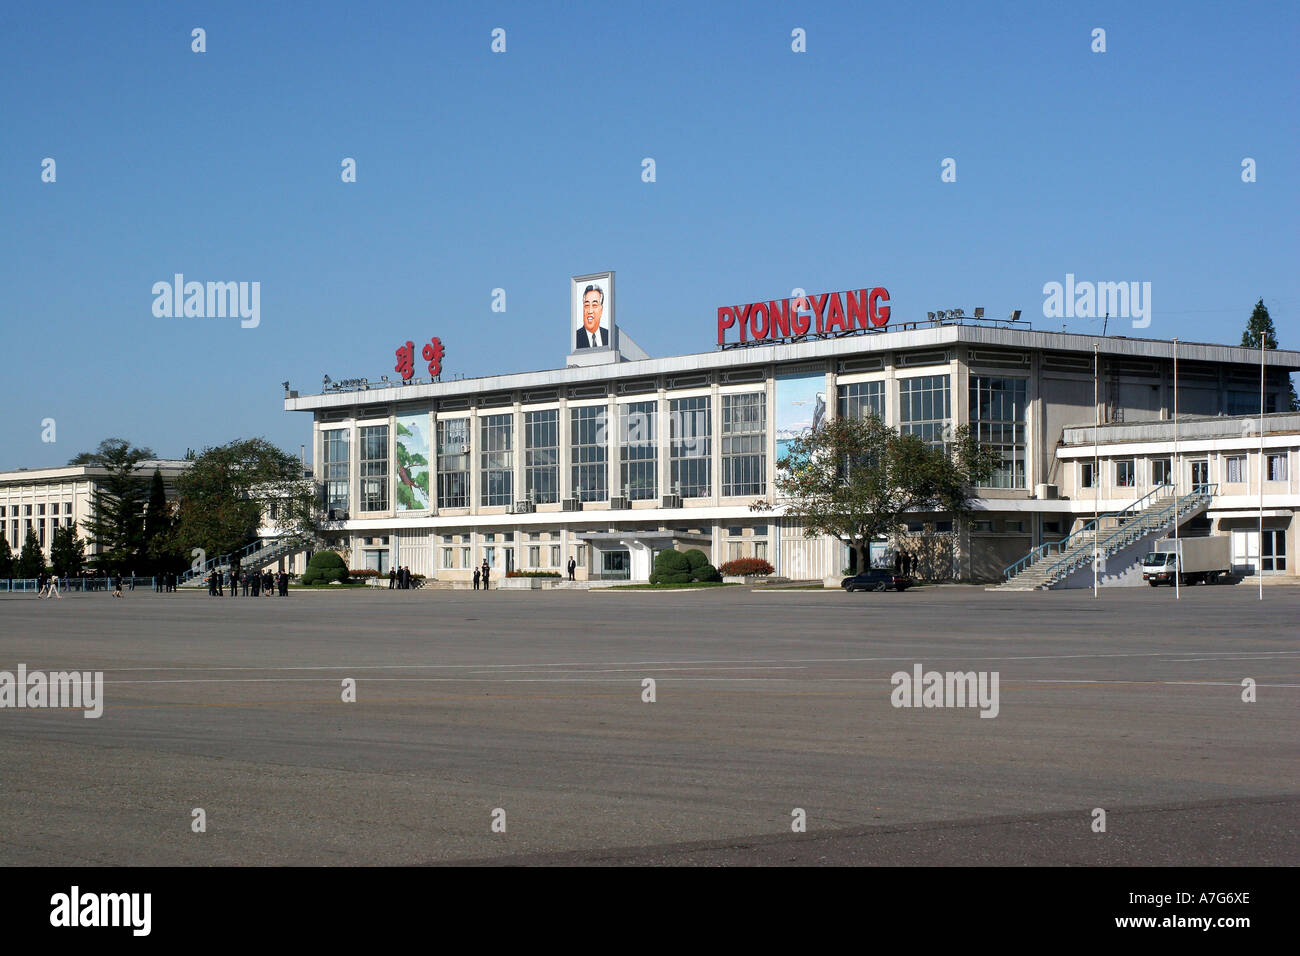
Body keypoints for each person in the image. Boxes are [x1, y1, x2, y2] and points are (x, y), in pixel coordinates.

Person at [574, 284, 610, 349]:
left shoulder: (608, 336)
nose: (590, 311)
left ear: (601, 309)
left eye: (594, 305)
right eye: (587, 305)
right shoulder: (576, 337)